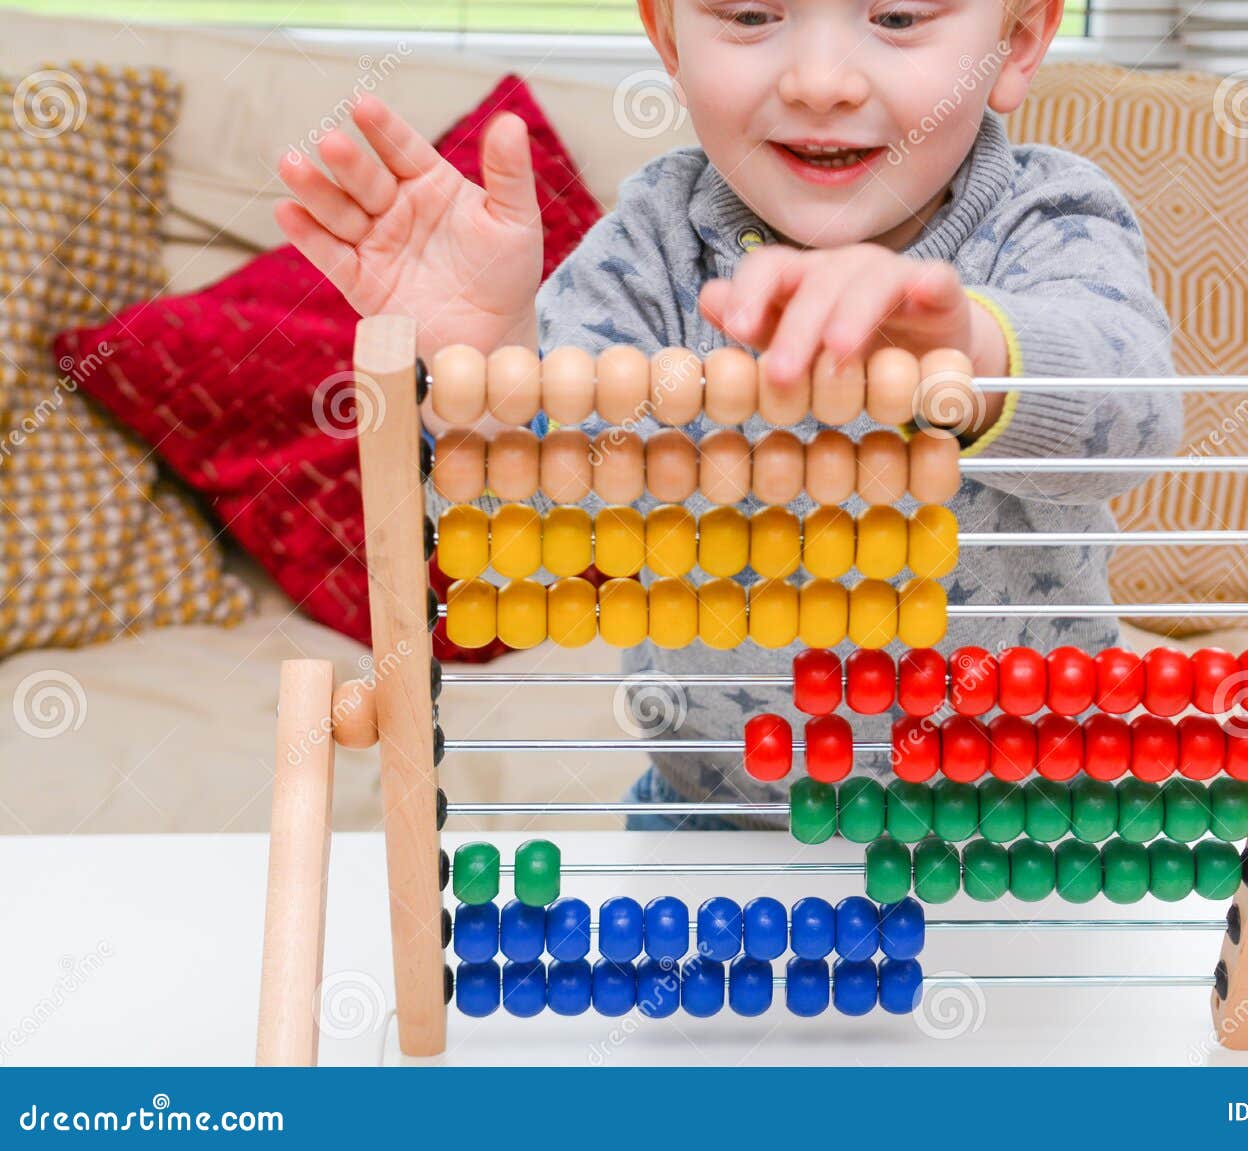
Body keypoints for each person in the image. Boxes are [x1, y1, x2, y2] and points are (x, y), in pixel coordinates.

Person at [276, 0, 1182, 829]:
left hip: (1026, 824)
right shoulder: (654, 246)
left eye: (898, 16)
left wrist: (971, 357)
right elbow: (559, 528)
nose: (819, 83)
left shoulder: (1048, 220)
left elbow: (1132, 419)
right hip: (715, 819)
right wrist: (493, 367)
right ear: (669, 39)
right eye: (752, 14)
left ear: (1015, 42)